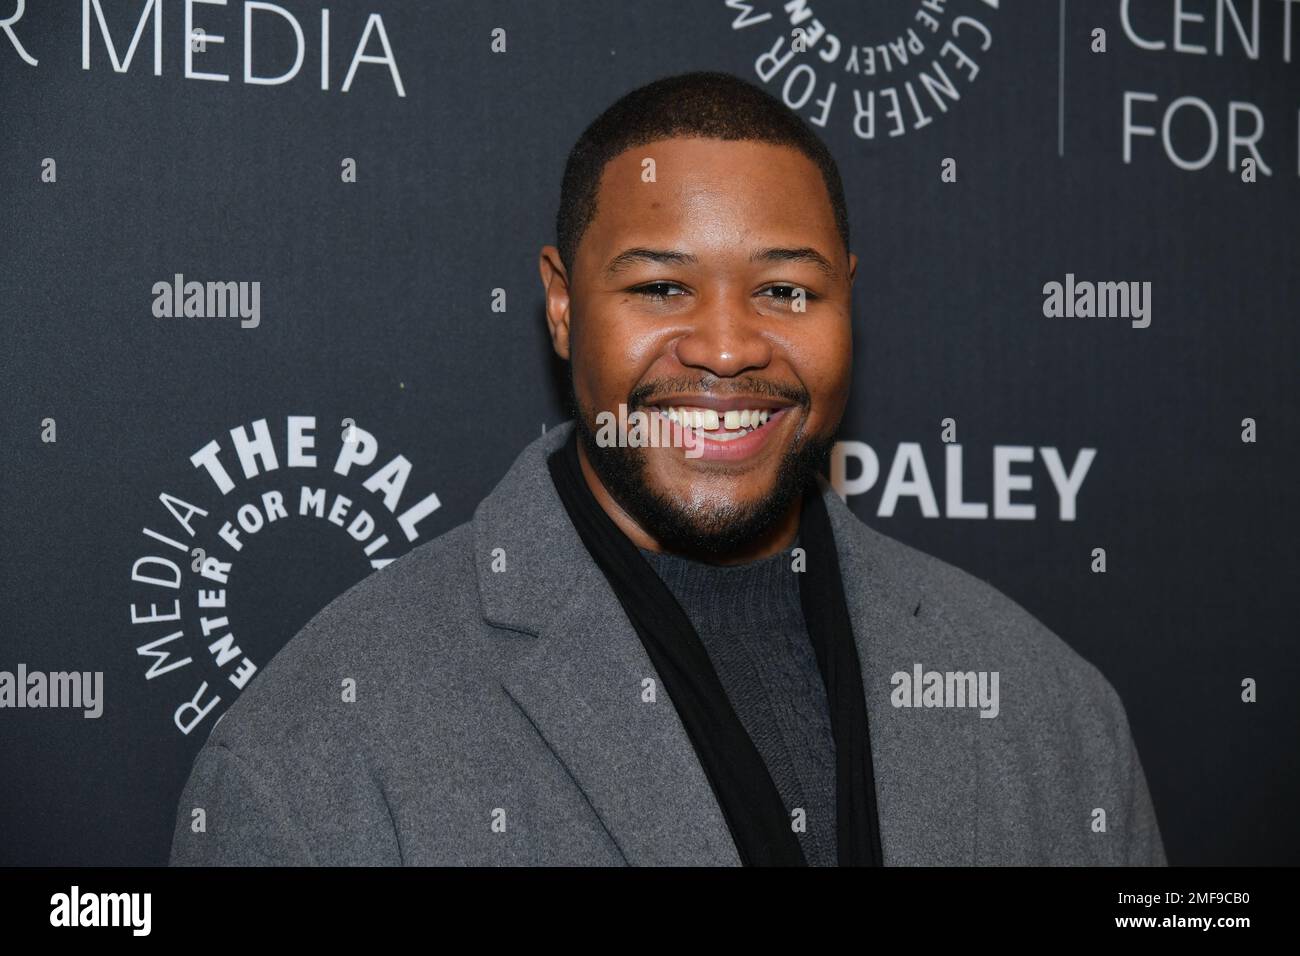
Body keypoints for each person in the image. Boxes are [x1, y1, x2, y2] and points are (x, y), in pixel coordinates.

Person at [169, 70, 1165, 866]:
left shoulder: (1049, 704)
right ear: (562, 306)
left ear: (846, 302)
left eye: (783, 287)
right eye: (658, 286)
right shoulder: (318, 745)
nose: (727, 347)